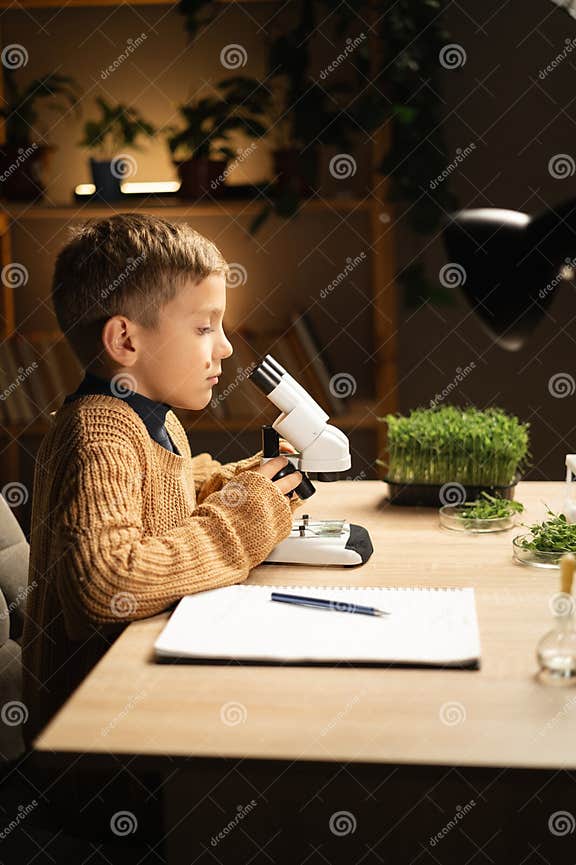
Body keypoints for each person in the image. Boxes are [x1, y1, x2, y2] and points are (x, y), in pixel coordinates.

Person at [21, 213, 302, 748]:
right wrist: (240, 524)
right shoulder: (98, 433)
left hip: (144, 705)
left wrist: (239, 483)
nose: (225, 347)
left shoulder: (154, 418)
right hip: (100, 757)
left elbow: (159, 503)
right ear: (124, 339)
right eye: (203, 327)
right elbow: (108, 582)